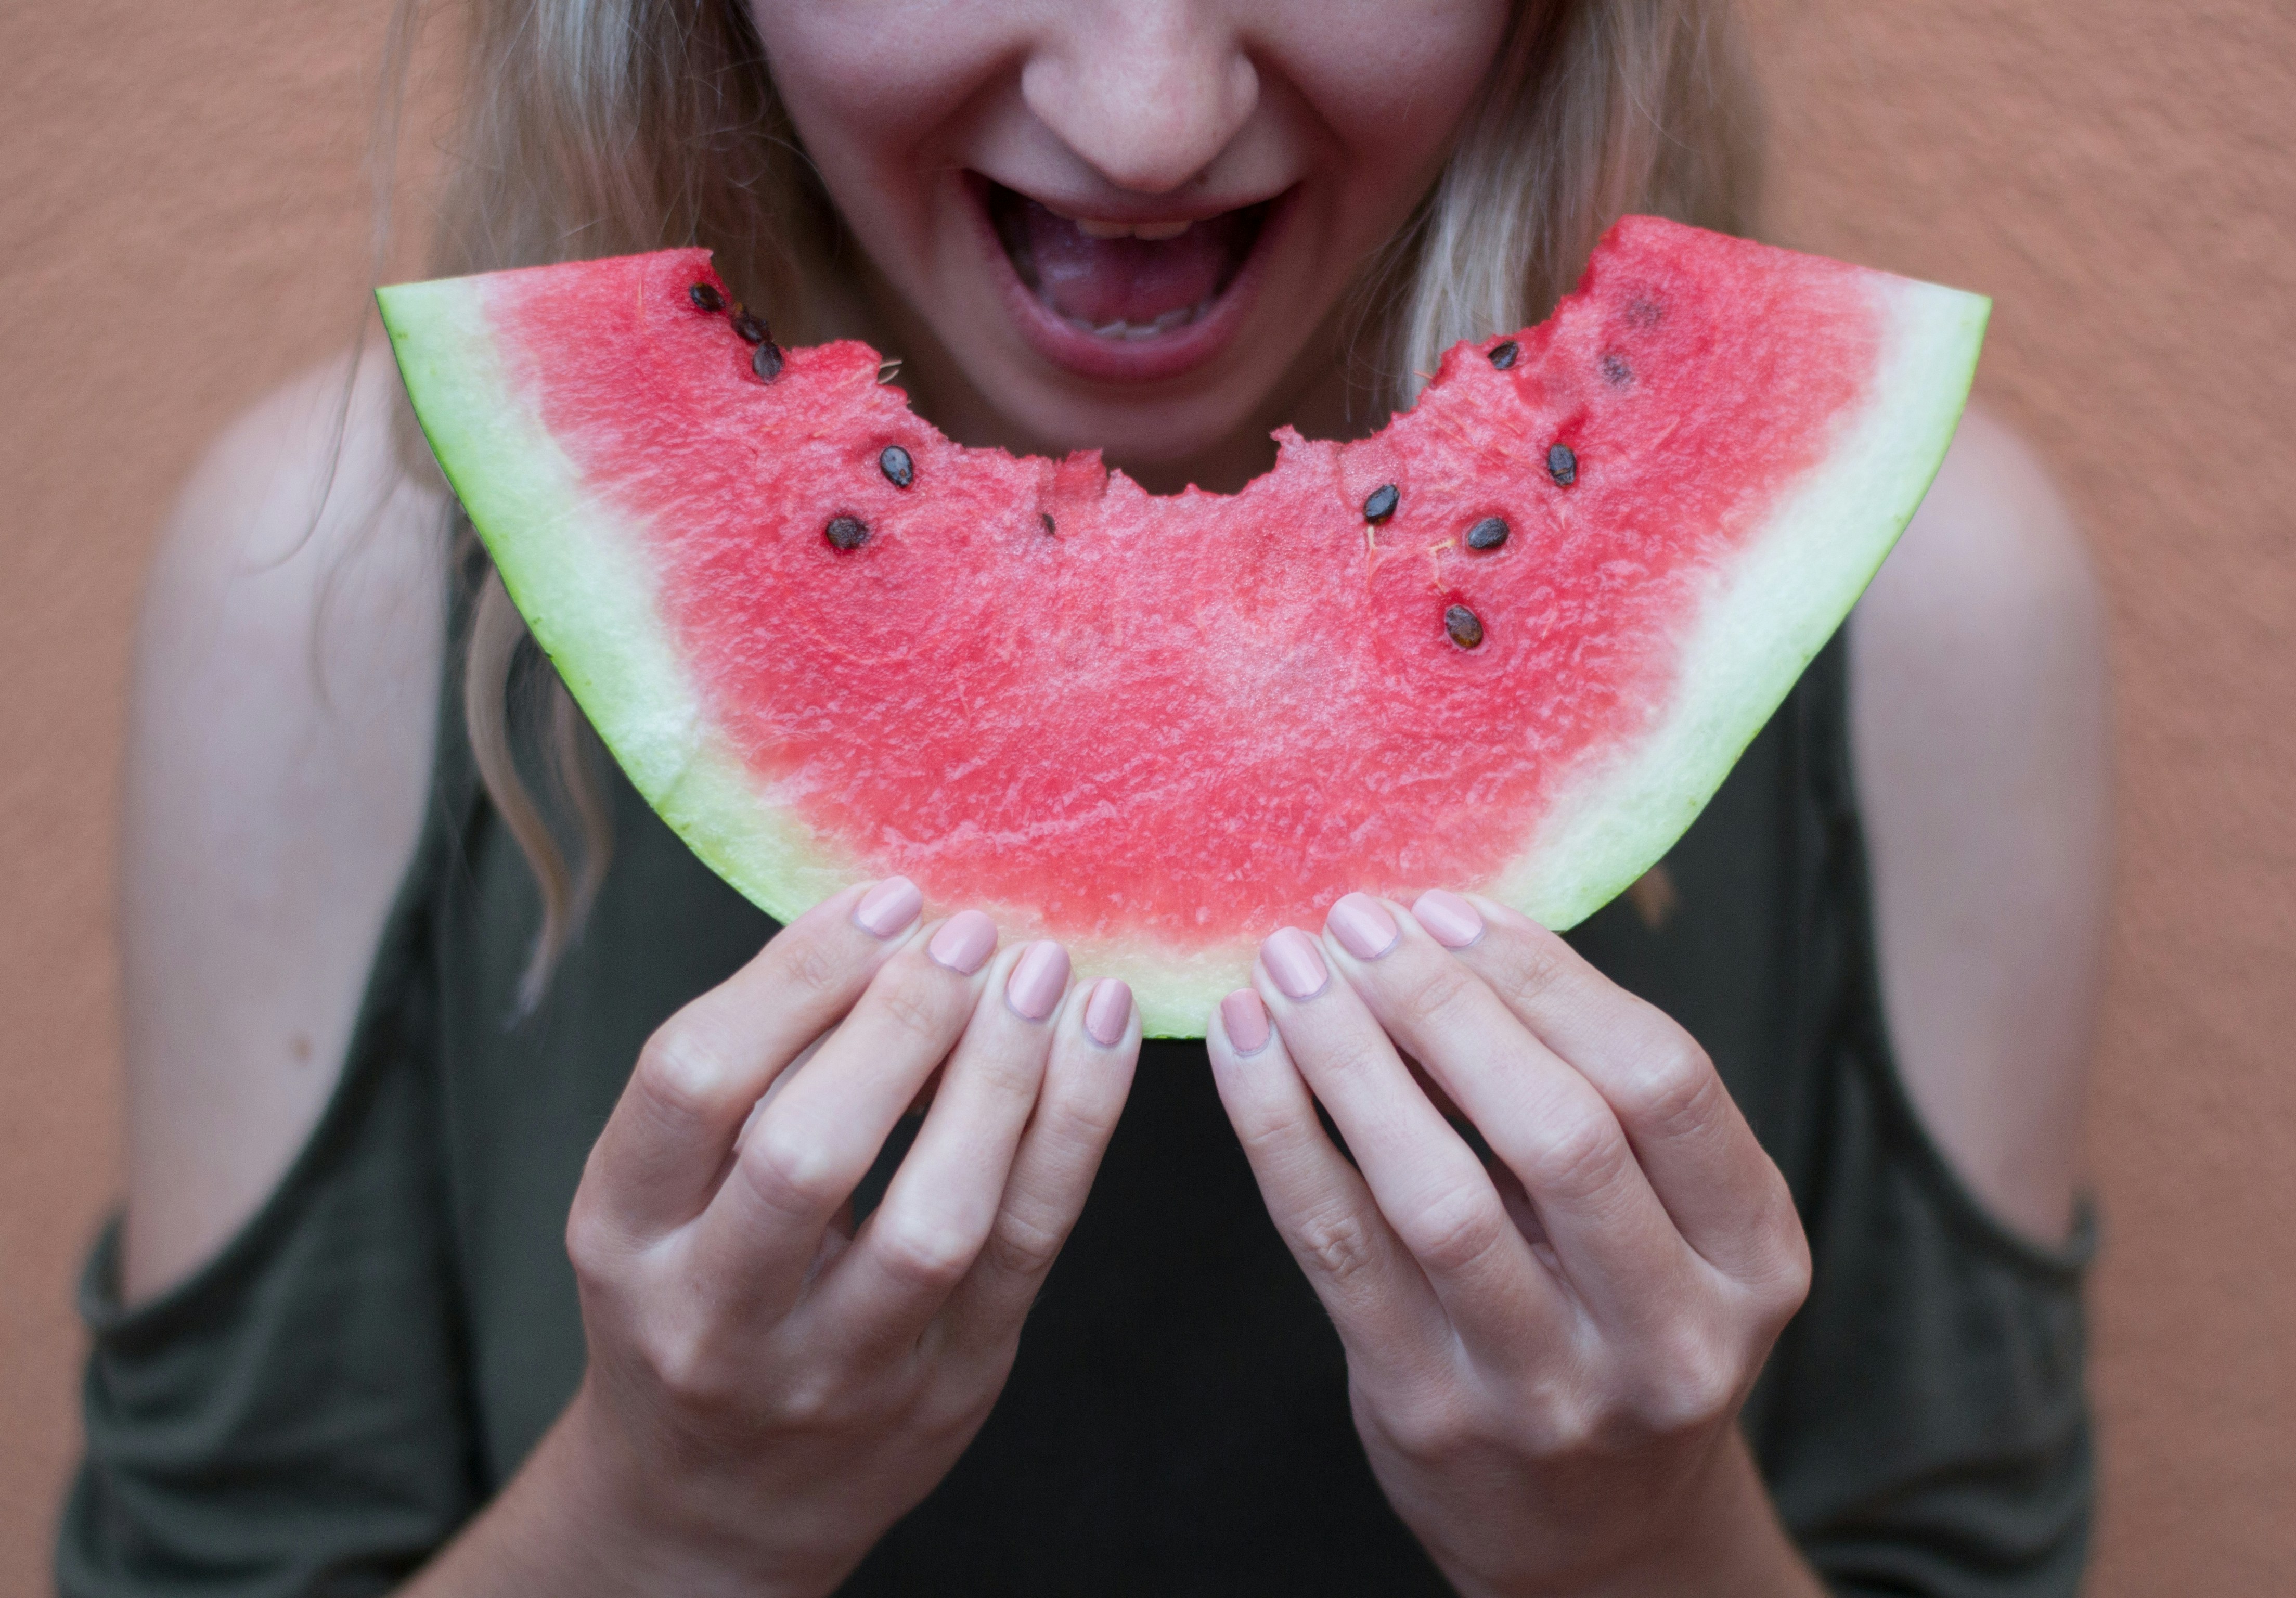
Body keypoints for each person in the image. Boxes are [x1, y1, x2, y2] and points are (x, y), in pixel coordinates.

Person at [64, 1, 2111, 1594]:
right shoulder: (333, 582)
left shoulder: (1928, 607)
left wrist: (1633, 1556)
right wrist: (664, 1529)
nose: (1145, 119)